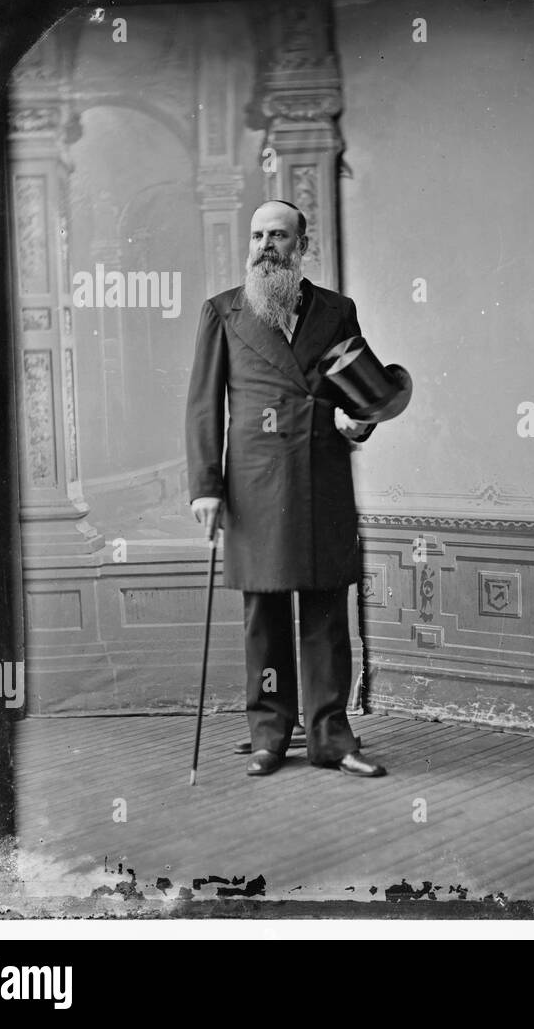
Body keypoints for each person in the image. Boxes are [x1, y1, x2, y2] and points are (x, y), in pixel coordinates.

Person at [185, 199, 386, 779]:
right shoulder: (222, 312)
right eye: (257, 236)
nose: (265, 246)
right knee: (265, 616)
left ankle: (330, 737)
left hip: (322, 477)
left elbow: (362, 389)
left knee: (327, 614)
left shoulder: (338, 310)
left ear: (302, 245)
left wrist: (360, 422)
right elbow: (203, 406)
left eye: (278, 235)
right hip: (256, 483)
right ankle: (269, 734)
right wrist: (205, 486)